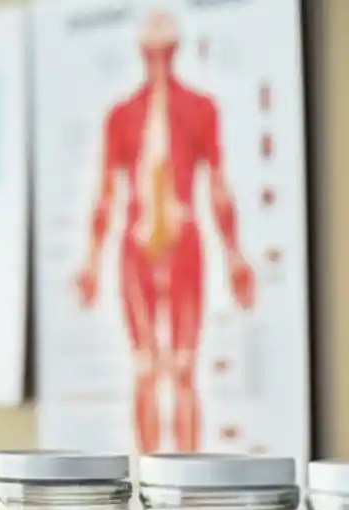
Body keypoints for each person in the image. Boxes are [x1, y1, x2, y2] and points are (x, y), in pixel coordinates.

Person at [74, 10, 254, 453]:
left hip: (183, 241)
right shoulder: (121, 116)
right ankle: (148, 480)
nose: (157, 58)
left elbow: (216, 185)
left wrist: (234, 254)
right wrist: (92, 260)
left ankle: (188, 480)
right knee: (145, 368)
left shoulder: (199, 109)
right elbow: (106, 193)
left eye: (163, 50)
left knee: (183, 366)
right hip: (136, 244)